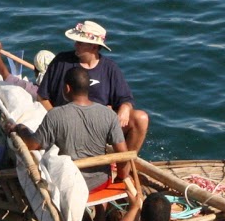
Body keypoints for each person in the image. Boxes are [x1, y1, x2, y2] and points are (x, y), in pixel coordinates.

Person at [36, 20, 149, 154]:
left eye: (80, 42)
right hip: (68, 122)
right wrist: (57, 119)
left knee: (141, 118)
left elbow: (125, 98)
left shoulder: (110, 68)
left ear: (94, 47)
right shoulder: (61, 61)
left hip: (100, 124)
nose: (75, 45)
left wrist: (125, 107)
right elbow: (42, 97)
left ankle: (126, 164)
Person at [22, 66, 127, 191]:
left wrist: (21, 129)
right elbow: (123, 154)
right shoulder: (109, 115)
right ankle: (101, 209)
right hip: (101, 182)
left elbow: (33, 145)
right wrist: (121, 177)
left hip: (69, 184)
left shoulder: (55, 115)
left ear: (67, 88)